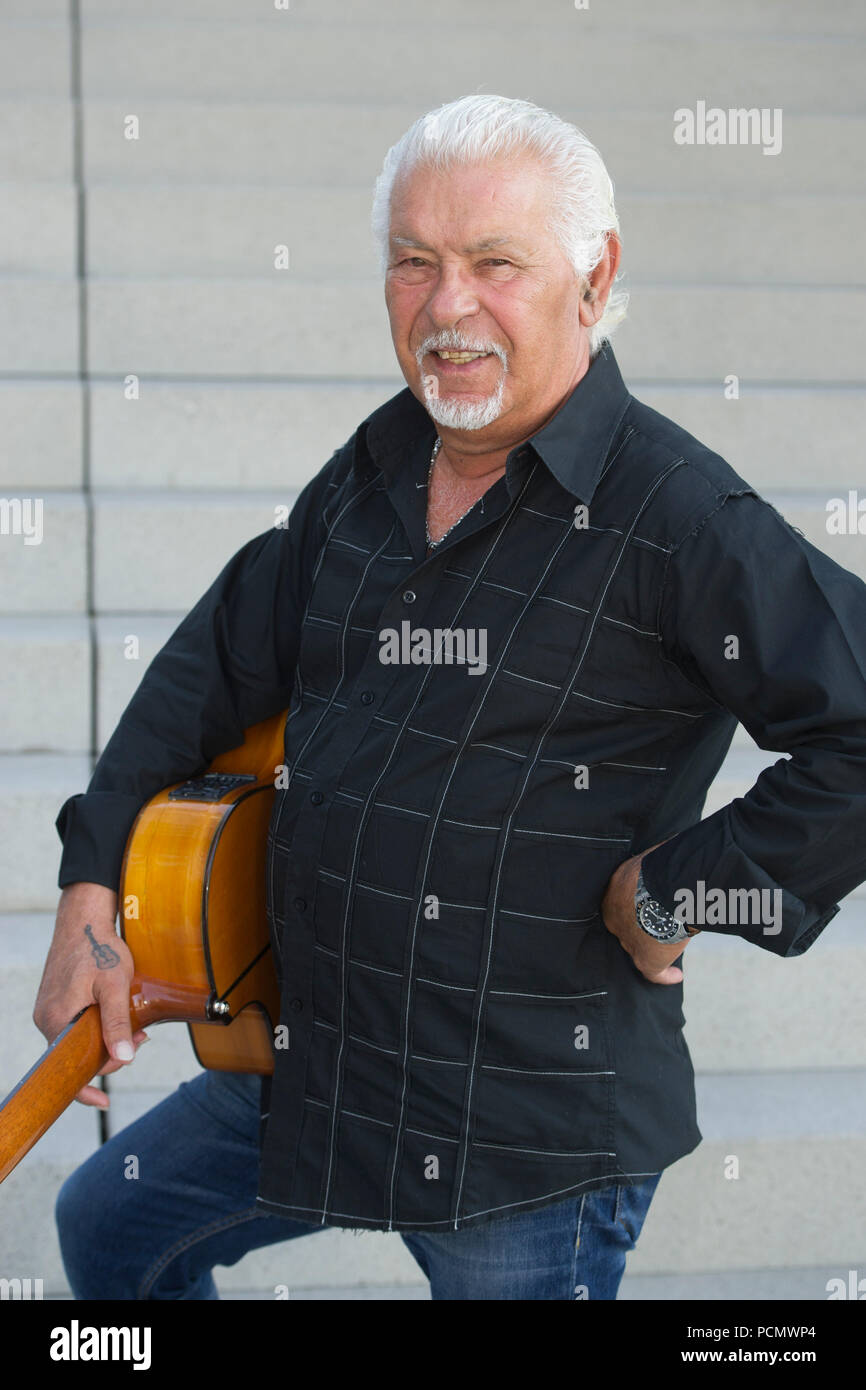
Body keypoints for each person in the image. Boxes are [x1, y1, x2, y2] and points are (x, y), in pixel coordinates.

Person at [38, 94, 866, 1301]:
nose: (446, 306)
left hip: (526, 1128)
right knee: (110, 1230)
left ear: (594, 278)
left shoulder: (682, 519)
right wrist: (92, 878)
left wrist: (676, 892)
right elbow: (207, 668)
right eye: (412, 262)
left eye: (494, 262)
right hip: (315, 1064)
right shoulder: (370, 470)